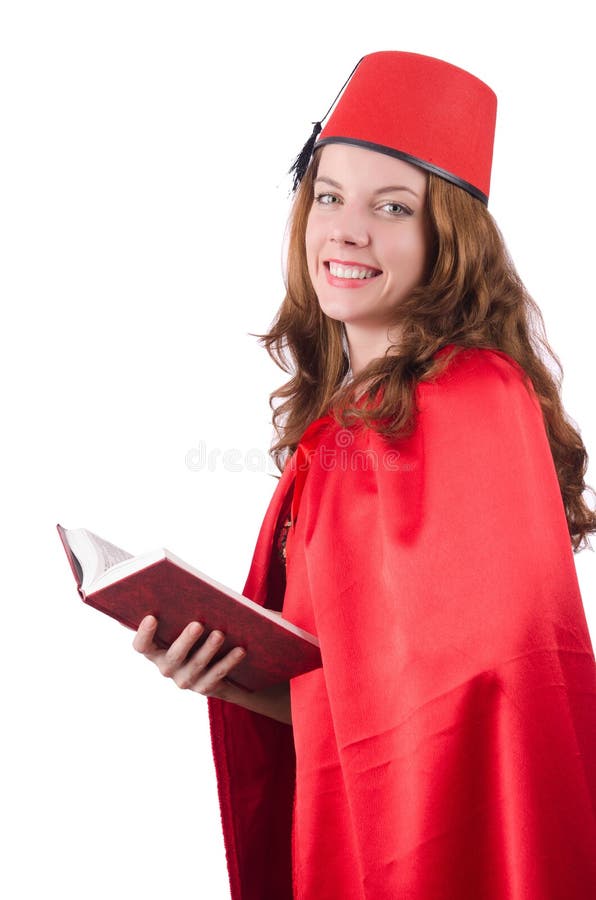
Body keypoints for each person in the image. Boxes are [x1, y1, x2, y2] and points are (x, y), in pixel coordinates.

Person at [133, 52, 596, 899]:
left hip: (445, 857)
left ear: (446, 240)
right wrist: (233, 673)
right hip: (354, 840)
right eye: (329, 196)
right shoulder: (339, 429)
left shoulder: (475, 398)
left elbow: (482, 707)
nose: (346, 230)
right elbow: (370, 706)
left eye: (392, 207)